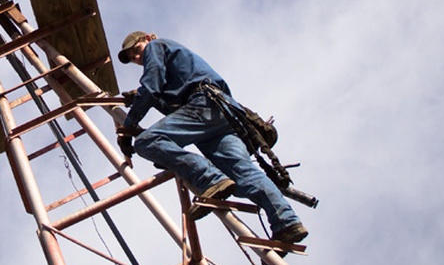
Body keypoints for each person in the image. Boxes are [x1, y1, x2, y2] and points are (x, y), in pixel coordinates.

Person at [115, 31, 308, 244]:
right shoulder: (175, 67)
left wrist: (128, 126)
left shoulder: (157, 46)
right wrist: (143, 98)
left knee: (146, 141)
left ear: (148, 39)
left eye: (136, 50)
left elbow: (151, 85)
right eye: (132, 58)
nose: (136, 58)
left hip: (204, 106)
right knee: (244, 175)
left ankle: (211, 179)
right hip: (223, 116)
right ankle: (287, 223)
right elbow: (169, 104)